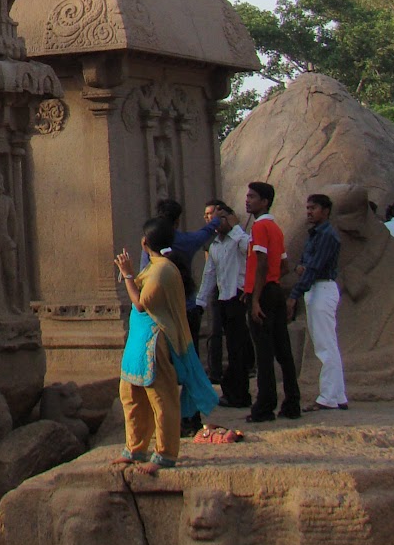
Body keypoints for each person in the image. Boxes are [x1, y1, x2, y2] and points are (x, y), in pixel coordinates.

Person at [114, 217, 218, 469]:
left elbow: (141, 303)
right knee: (130, 394)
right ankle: (135, 448)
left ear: (145, 242)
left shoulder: (162, 270)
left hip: (155, 341)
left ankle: (166, 453)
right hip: (139, 341)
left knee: (161, 398)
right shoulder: (154, 266)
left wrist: (128, 274)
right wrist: (129, 274)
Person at [244, 180, 300, 422]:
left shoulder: (259, 228)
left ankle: (264, 406)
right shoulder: (276, 228)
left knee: (264, 352)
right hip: (274, 289)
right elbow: (284, 264)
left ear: (264, 202)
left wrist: (255, 298)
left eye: (253, 197)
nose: (248, 200)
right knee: (283, 351)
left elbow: (262, 263)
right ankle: (292, 403)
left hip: (264, 292)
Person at [289, 193, 348, 410]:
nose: (309, 212)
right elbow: (305, 263)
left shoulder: (327, 236)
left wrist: (294, 294)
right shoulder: (315, 234)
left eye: (313, 208)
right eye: (308, 208)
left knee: (325, 346)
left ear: (325, 211)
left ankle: (328, 397)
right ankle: (338, 395)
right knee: (326, 344)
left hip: (322, 287)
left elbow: (313, 267)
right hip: (316, 288)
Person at [195, 200, 253, 408]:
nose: (215, 222)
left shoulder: (239, 239)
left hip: (238, 297)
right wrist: (200, 301)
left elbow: (251, 249)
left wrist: (235, 226)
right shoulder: (216, 245)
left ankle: (240, 393)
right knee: (231, 346)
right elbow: (209, 274)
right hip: (223, 299)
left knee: (238, 348)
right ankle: (233, 391)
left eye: (219, 218)